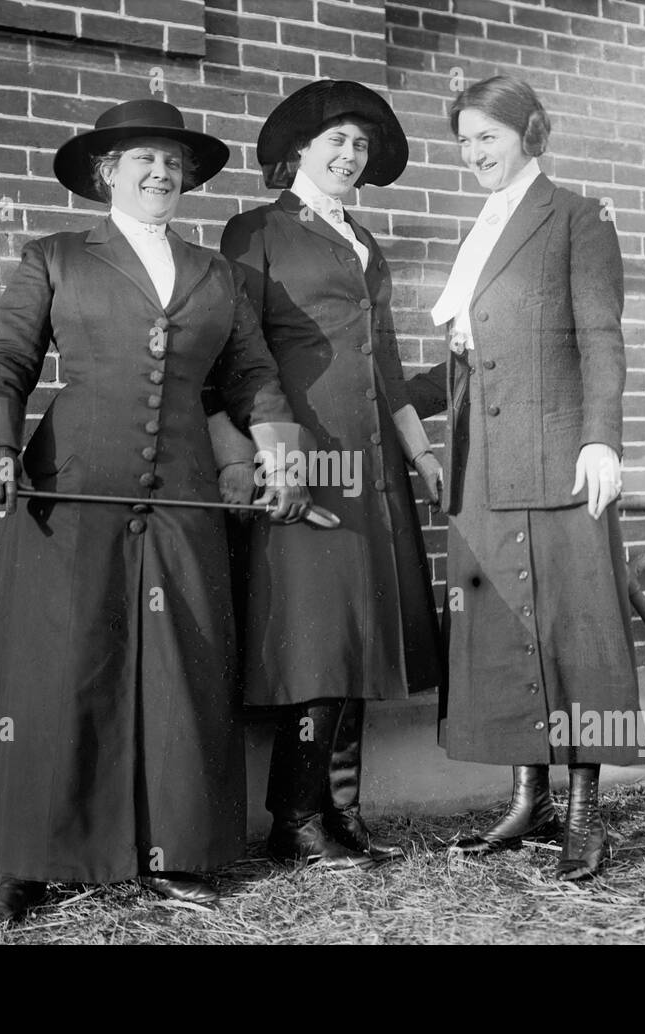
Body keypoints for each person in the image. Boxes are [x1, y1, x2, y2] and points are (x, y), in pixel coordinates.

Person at [0, 98, 311, 932]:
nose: (160, 174)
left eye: (173, 163)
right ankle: (24, 863)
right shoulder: (57, 258)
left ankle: (178, 855)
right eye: (142, 159)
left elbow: (253, 378)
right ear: (106, 173)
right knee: (55, 668)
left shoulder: (218, 274)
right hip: (72, 492)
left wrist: (277, 455)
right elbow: (5, 363)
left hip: (181, 492)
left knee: (184, 664)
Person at [406, 75, 645, 881]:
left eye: (490, 136)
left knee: (580, 632)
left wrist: (602, 441)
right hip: (483, 465)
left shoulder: (578, 215)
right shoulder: (480, 229)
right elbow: (471, 361)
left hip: (557, 458)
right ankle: (529, 799)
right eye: (466, 140)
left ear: (530, 132)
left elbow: (601, 335)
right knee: (506, 630)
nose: (476, 152)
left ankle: (587, 812)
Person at [207, 80, 443, 871]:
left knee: (361, 635)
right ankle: (293, 820)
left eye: (363, 147)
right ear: (300, 150)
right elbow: (233, 352)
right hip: (301, 465)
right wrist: (255, 457)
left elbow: (386, 365)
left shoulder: (366, 244)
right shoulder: (257, 232)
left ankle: (343, 811)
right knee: (313, 639)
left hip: (373, 472)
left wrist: (420, 454)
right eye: (337, 141)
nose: (350, 156)